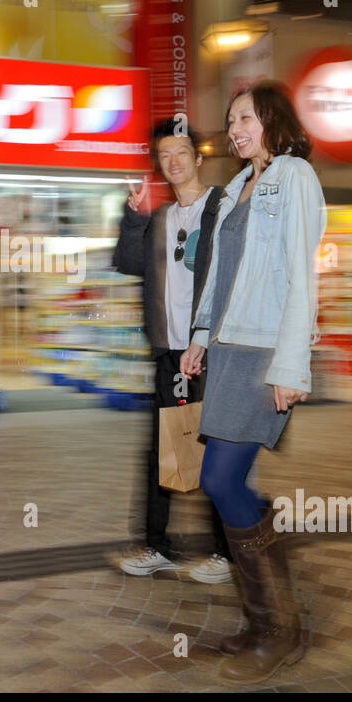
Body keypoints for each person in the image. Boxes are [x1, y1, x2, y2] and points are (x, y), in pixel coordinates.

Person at [180, 81, 327, 684]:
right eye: (232, 119)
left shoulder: (294, 177)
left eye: (245, 117)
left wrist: (292, 367)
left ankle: (277, 631)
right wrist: (199, 334)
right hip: (230, 349)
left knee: (220, 478)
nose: (236, 128)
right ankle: (263, 623)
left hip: (266, 350)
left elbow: (301, 274)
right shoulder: (238, 188)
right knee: (226, 483)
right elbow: (219, 278)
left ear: (271, 118)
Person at [113, 119, 230, 583]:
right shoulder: (160, 218)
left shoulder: (221, 208)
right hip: (170, 352)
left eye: (182, 152)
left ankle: (226, 551)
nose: (175, 161)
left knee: (216, 450)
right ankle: (156, 545)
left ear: (198, 158)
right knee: (165, 450)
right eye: (165, 155)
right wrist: (135, 216)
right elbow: (128, 263)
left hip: (212, 351)